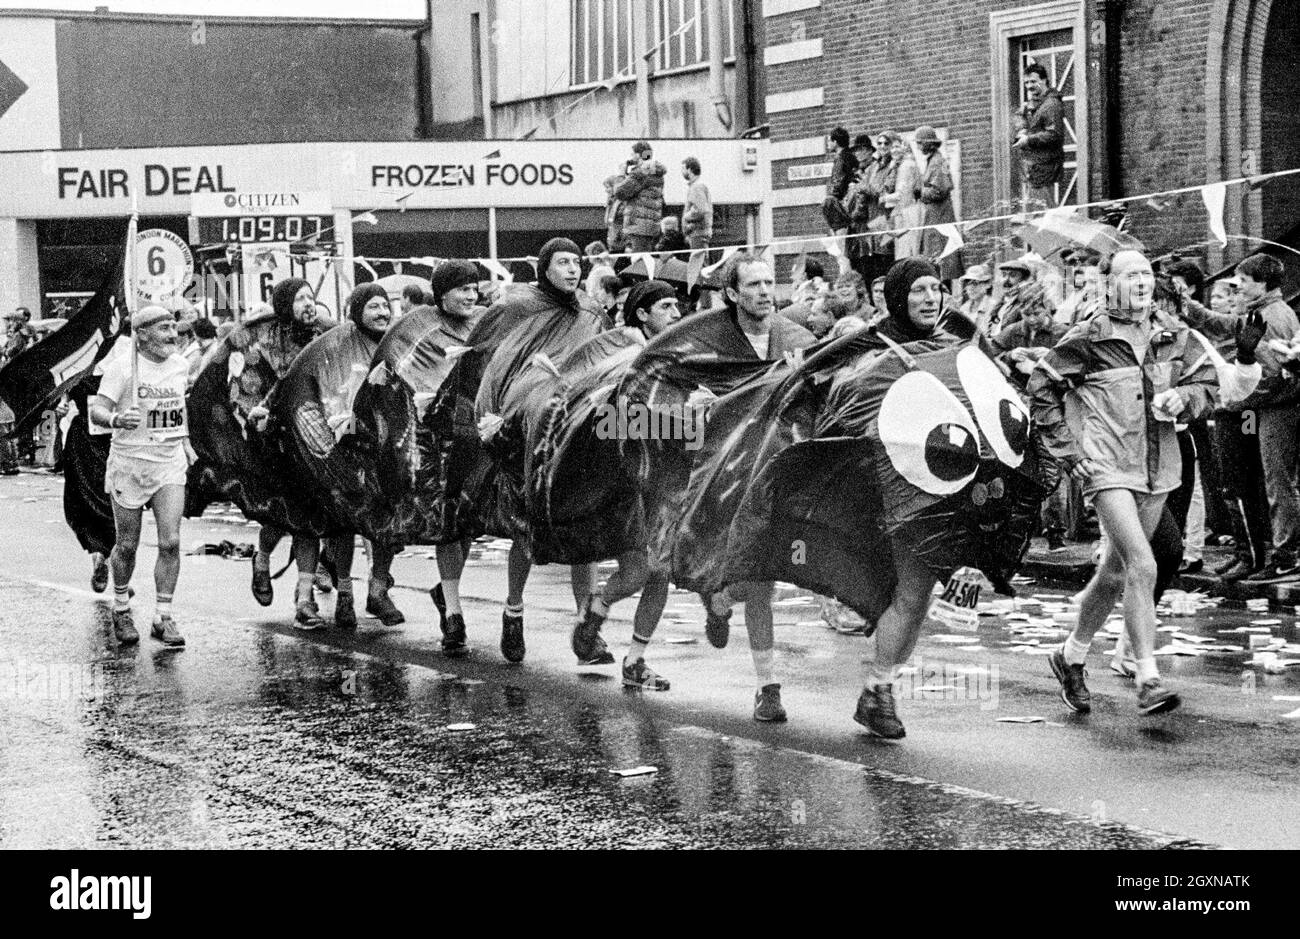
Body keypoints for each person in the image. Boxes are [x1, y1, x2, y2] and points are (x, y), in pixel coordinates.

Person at [1028, 249, 1218, 718]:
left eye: (1148, 274)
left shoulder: (1173, 335)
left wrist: (1185, 398)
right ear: (1108, 282)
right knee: (1143, 563)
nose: (1143, 282)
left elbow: (1211, 383)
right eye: (1131, 274)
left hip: (1159, 467)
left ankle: (1069, 655)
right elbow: (1041, 387)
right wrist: (1069, 453)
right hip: (1107, 467)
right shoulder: (1088, 339)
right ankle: (1148, 678)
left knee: (1113, 574)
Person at [852, 258, 969, 738]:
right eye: (919, 289)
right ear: (898, 297)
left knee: (917, 597)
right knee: (912, 589)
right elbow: (852, 402)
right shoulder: (874, 348)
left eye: (937, 288)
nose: (930, 298)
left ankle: (880, 686)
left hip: (944, 485)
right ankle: (877, 689)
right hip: (893, 489)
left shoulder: (952, 343)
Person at [696, 253, 816, 721]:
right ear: (732, 293)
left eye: (770, 282)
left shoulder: (797, 339)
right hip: (726, 474)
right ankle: (722, 604)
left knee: (763, 581)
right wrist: (703, 401)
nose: (765, 291)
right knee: (749, 577)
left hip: (778, 471)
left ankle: (767, 685)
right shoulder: (709, 341)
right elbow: (679, 398)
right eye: (753, 284)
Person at [1179, 255, 1300, 581]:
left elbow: (1271, 376)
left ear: (1261, 283)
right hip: (1256, 410)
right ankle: (1253, 552)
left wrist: (1234, 398)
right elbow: (1221, 323)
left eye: (1243, 281)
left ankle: (1283, 554)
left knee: (1271, 481)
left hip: (1263, 410)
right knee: (1254, 479)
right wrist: (1187, 305)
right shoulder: (1259, 311)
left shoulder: (1268, 316)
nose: (1237, 287)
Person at [233, 278, 336, 628]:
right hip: (276, 442)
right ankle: (262, 559)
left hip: (318, 439)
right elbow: (247, 392)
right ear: (283, 305)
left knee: (309, 520)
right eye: (299, 298)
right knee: (280, 517)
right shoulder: (263, 343)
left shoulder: (327, 333)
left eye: (311, 297)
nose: (308, 304)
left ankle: (304, 600)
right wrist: (255, 414)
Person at [88, 305, 191, 648]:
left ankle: (163, 616)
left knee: (171, 541)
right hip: (130, 463)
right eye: (164, 328)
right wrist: (117, 420)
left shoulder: (181, 365)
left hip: (168, 463)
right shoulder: (122, 368)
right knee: (128, 544)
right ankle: (121, 607)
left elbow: (183, 408)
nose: (172, 335)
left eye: (174, 327)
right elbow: (97, 410)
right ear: (142, 335)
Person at [1014, 62, 1065, 209]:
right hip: (1035, 166)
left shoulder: (1051, 105)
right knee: (1040, 208)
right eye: (1026, 82)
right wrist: (1022, 128)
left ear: (1044, 80)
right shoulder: (1035, 103)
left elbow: (1054, 134)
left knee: (1044, 211)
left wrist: (1028, 140)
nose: (1029, 86)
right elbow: (1019, 116)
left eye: (1033, 81)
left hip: (1045, 166)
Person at [915, 126, 961, 281]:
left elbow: (939, 190)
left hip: (940, 217)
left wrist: (919, 192)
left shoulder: (937, 161)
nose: (918, 146)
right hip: (934, 217)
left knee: (941, 259)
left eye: (920, 143)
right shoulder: (932, 161)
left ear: (929, 143)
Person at [614, 141, 667, 254]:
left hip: (638, 226)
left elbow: (619, 192)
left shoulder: (641, 172)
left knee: (639, 262)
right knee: (645, 260)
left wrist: (621, 174)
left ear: (638, 155)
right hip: (651, 226)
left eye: (632, 154)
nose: (630, 157)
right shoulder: (655, 171)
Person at [882, 134, 922, 259]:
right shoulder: (904, 165)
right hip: (906, 212)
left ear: (905, 148)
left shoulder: (906, 166)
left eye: (897, 147)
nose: (893, 150)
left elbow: (901, 195)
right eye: (892, 147)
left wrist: (883, 198)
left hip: (907, 214)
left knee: (906, 254)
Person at [681, 156, 713, 251]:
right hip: (699, 232)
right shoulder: (698, 186)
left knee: (699, 263)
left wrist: (686, 217)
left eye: (683, 168)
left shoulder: (697, 187)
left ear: (689, 170)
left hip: (698, 233)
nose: (682, 172)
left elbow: (701, 210)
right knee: (700, 262)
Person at [958, 264, 996, 333]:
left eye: (975, 283)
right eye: (967, 283)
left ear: (988, 284)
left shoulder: (994, 308)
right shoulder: (963, 308)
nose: (970, 288)